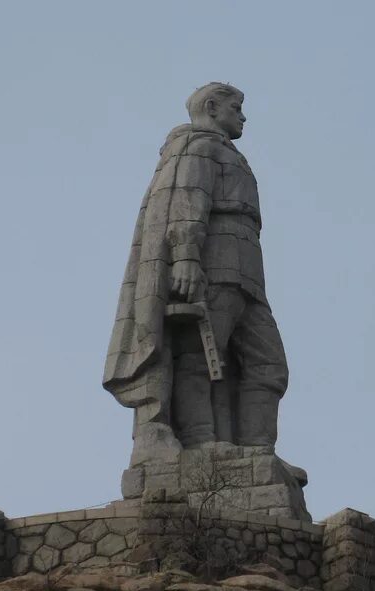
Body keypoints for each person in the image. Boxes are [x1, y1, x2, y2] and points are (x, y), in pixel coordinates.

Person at [104, 83, 289, 465]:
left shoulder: (225, 152)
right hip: (215, 264)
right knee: (200, 354)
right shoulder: (197, 147)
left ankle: (256, 449)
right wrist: (186, 258)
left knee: (269, 366)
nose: (242, 116)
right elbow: (187, 203)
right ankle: (200, 441)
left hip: (248, 272)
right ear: (212, 107)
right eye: (236, 108)